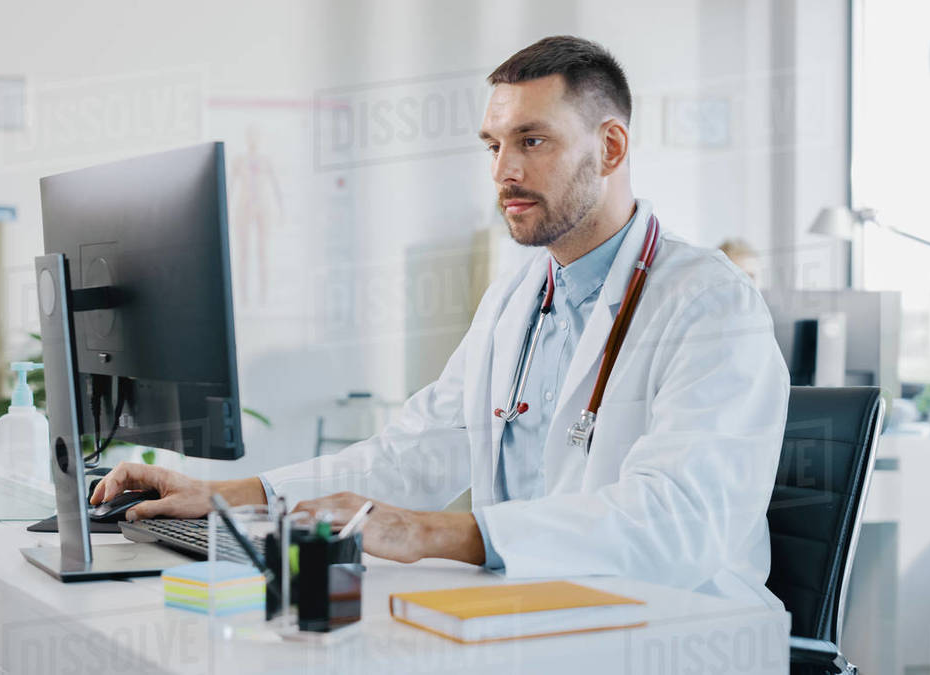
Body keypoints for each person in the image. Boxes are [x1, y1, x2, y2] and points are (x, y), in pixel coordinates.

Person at [91, 35, 789, 607]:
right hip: (537, 613)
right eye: (493, 145)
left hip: (679, 627)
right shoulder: (516, 301)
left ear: (610, 148)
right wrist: (227, 495)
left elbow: (676, 524)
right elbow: (409, 454)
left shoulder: (709, 303)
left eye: (532, 141)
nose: (503, 171)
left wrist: (434, 532)